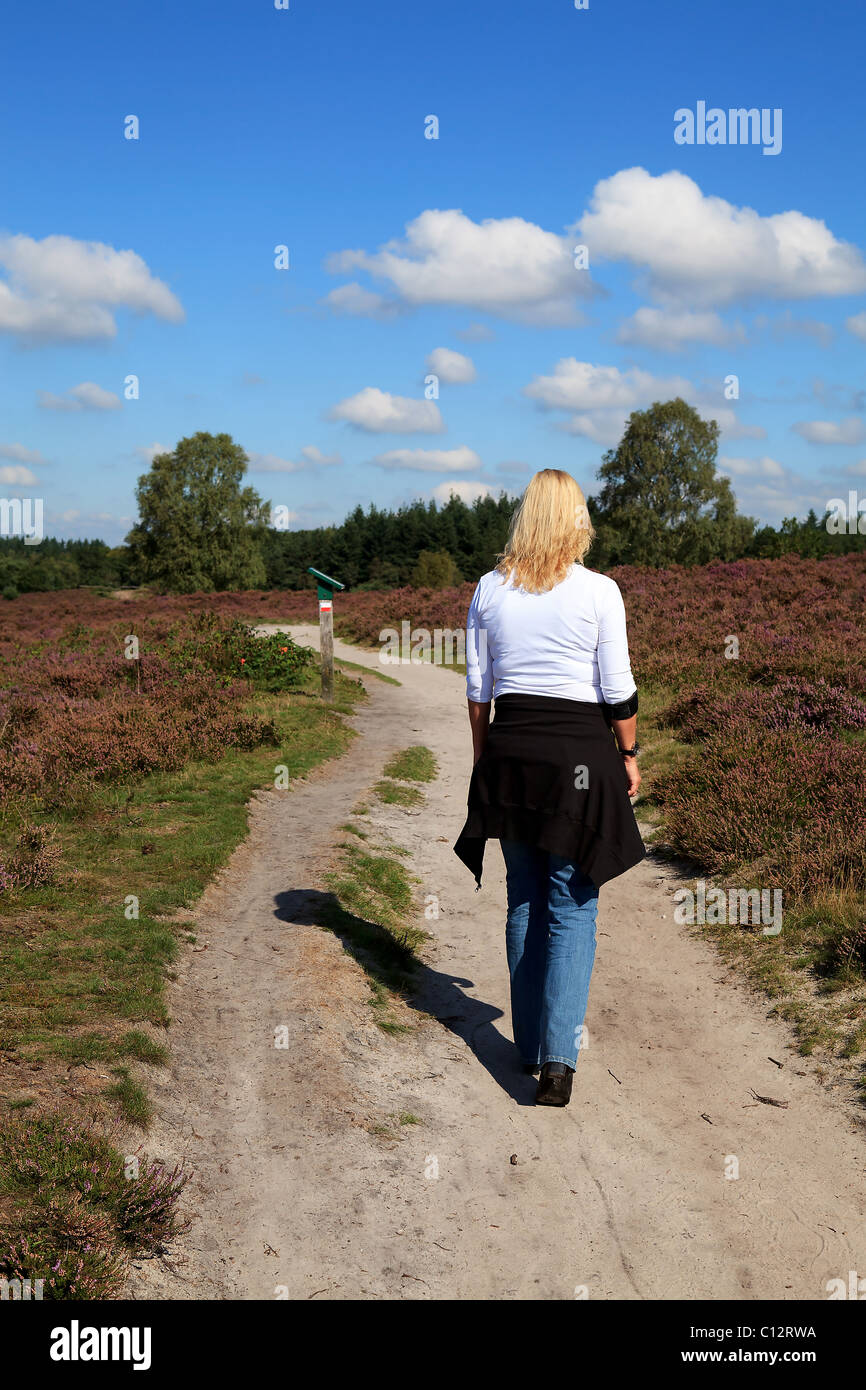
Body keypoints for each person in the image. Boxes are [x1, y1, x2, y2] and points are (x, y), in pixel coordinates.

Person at [453, 469, 645, 1107]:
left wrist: (486, 761)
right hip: (578, 759)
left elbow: (479, 692)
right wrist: (630, 753)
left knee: (525, 896)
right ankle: (559, 1061)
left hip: (513, 752)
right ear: (576, 519)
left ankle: (529, 1047)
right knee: (573, 900)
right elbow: (617, 688)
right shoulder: (599, 592)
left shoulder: (488, 588)